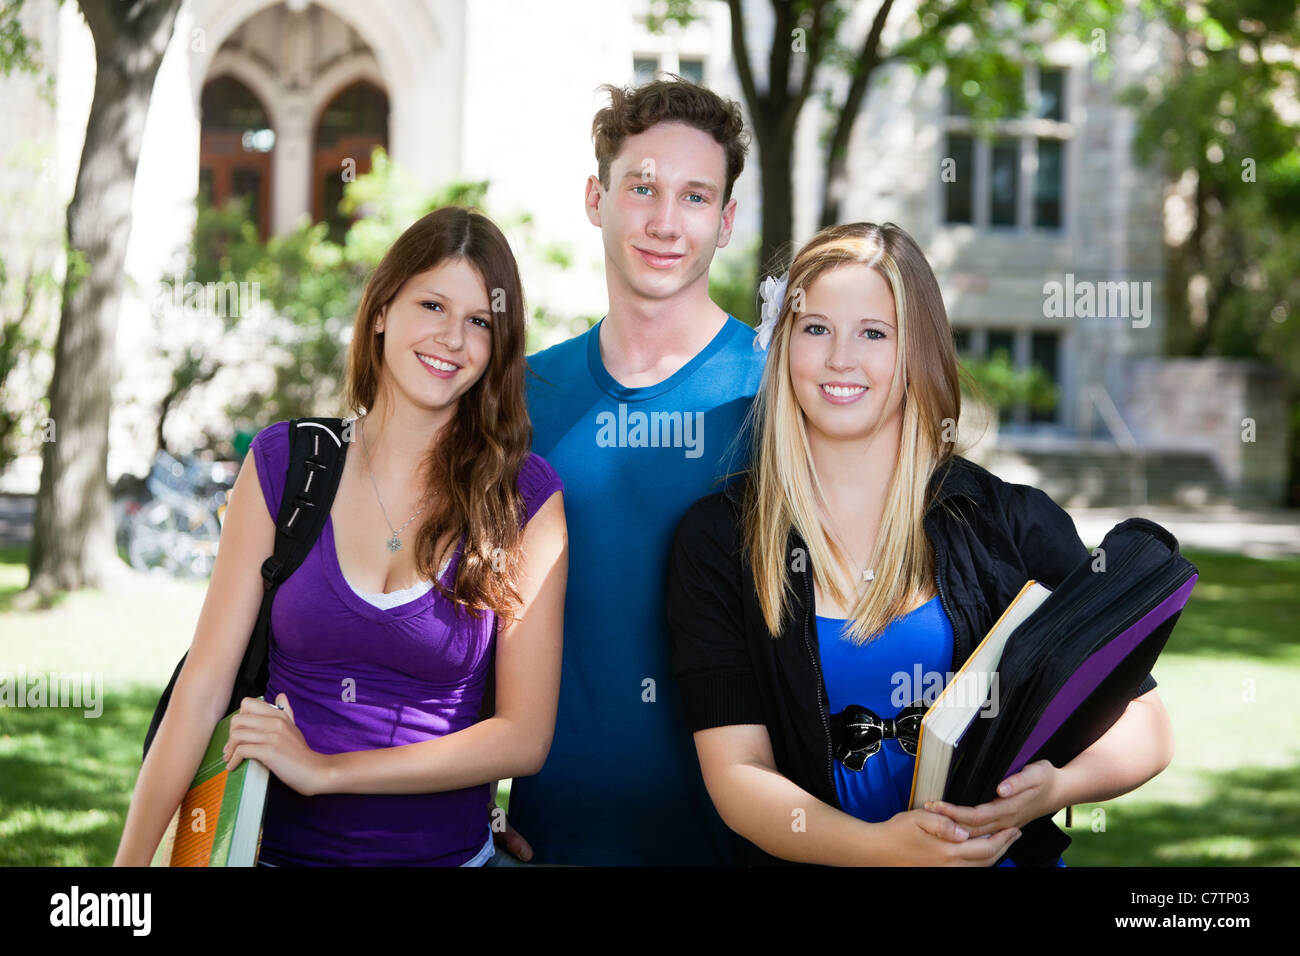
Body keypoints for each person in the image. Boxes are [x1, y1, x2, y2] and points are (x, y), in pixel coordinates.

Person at [667, 221, 1175, 866]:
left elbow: (1147, 729)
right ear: (783, 343)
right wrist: (880, 850)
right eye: (815, 328)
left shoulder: (1012, 524)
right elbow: (737, 773)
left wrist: (1054, 788)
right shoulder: (719, 540)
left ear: (918, 354)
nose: (840, 358)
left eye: (874, 333)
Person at [113, 206, 568, 867]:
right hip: (274, 854)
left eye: (479, 322)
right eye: (432, 305)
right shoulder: (285, 463)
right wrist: (126, 876)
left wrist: (327, 770)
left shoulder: (525, 496)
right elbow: (203, 689)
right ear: (382, 309)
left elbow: (521, 739)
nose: (451, 338)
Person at [500, 77, 764, 865]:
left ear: (725, 222)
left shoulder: (780, 390)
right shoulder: (521, 395)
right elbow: (463, 613)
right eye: (641, 186)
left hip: (744, 841)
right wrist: (464, 807)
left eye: (693, 197)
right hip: (549, 839)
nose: (662, 221)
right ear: (596, 197)